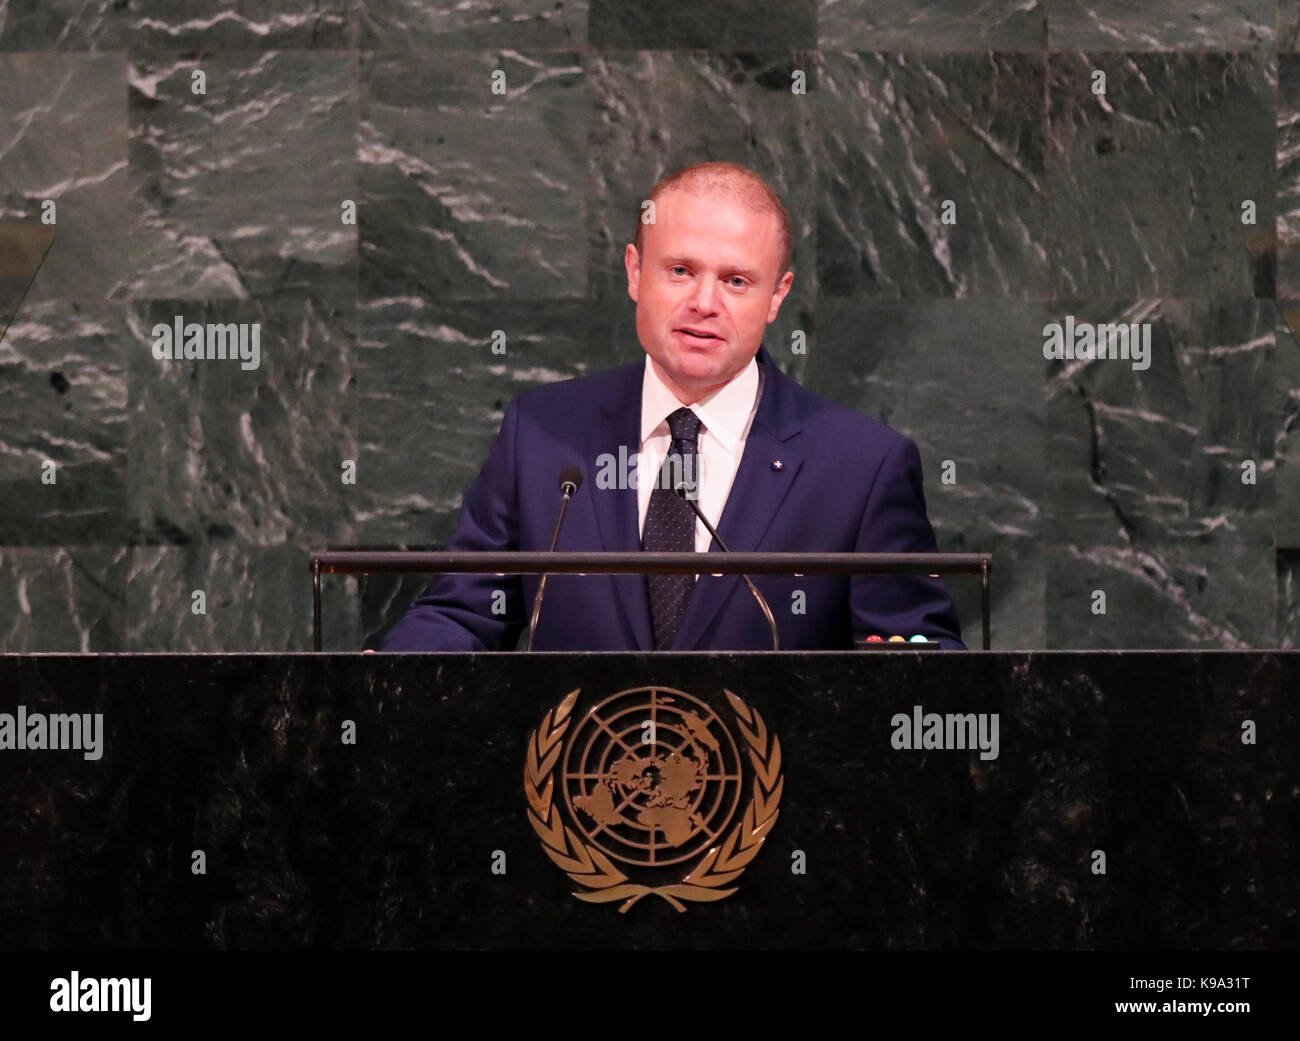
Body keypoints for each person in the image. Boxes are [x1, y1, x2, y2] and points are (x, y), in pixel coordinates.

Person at [379, 161, 965, 651]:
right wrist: (374, 678)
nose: (704, 303)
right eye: (680, 271)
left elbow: (916, 648)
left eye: (736, 281)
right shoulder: (539, 434)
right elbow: (464, 615)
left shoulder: (861, 466)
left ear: (777, 296)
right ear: (636, 272)